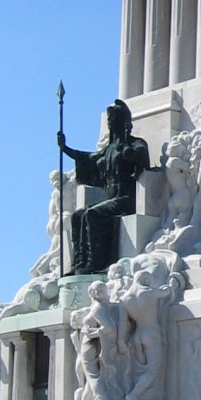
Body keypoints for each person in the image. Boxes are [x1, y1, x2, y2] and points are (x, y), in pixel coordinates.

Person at [58, 100, 151, 274]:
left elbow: (140, 156)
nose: (109, 123)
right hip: (112, 199)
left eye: (113, 119)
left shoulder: (134, 143)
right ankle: (79, 263)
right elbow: (88, 158)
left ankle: (95, 263)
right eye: (109, 120)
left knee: (93, 214)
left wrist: (128, 153)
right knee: (78, 215)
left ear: (122, 122)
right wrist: (65, 148)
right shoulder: (108, 149)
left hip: (126, 199)